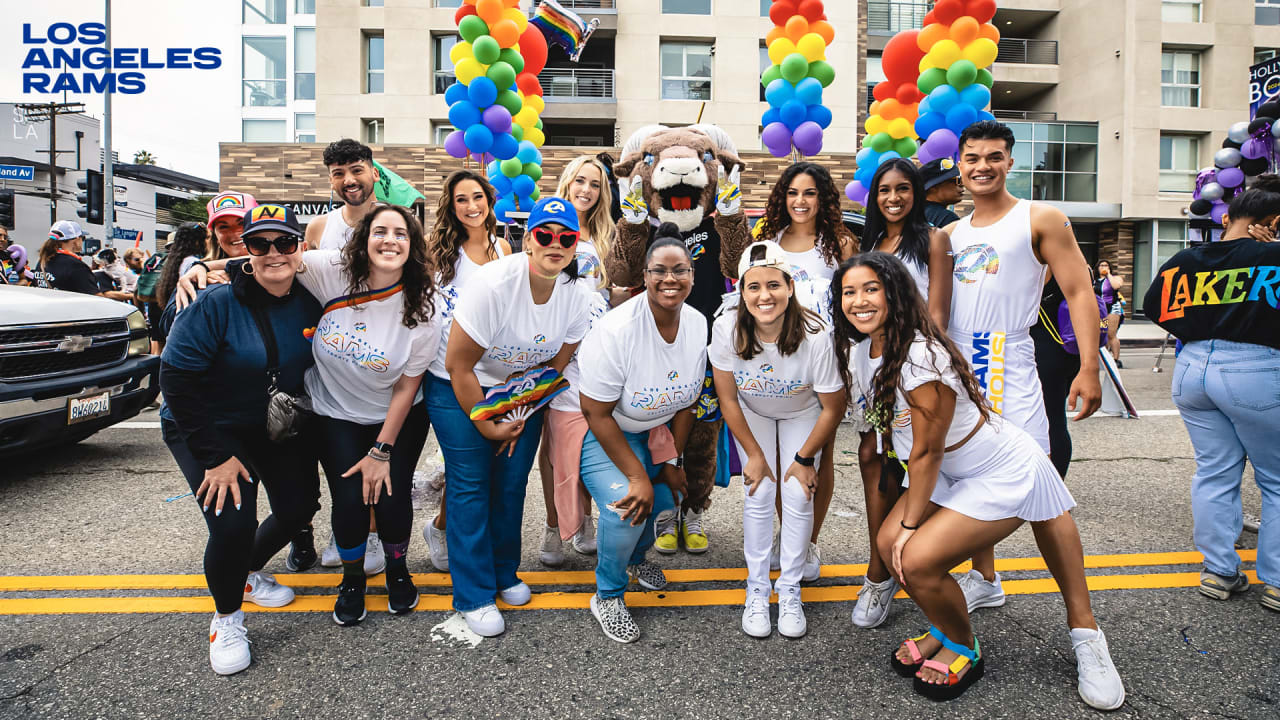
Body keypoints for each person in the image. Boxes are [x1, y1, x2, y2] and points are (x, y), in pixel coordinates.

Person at [833, 251, 1078, 701]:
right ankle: (945, 631)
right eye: (849, 291)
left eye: (871, 289)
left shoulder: (921, 355)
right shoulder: (859, 352)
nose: (859, 300)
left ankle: (965, 645)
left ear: (896, 294)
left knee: (915, 558)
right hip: (948, 472)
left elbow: (925, 450)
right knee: (891, 551)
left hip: (996, 470)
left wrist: (909, 527)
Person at [939, 120, 1124, 710]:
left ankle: (1086, 632)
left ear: (1009, 162)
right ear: (960, 165)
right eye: (972, 158)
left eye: (994, 157)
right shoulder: (948, 233)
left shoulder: (1040, 218)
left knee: (1042, 493)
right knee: (963, 477)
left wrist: (1089, 367)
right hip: (955, 367)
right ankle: (986, 581)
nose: (982, 167)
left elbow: (1078, 292)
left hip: (1011, 365)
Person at [159, 204, 321, 675]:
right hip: (208, 425)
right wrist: (215, 456)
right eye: (260, 243)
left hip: (271, 422)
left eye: (284, 242)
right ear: (246, 251)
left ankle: (245, 571)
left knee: (298, 507)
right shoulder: (213, 302)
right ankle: (226, 617)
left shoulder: (309, 299)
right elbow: (176, 380)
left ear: (300, 248)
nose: (273, 253)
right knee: (231, 523)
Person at [431, 196, 589, 637]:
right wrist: (486, 422)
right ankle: (474, 594)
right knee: (472, 480)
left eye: (566, 238)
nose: (554, 244)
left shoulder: (578, 294)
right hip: (458, 384)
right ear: (527, 240)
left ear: (575, 245)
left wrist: (518, 412)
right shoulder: (494, 283)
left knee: (512, 480)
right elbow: (457, 366)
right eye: (544, 235)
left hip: (521, 392)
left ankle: (504, 572)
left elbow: (555, 366)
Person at [293, 204, 441, 625]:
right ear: (364, 238)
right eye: (380, 231)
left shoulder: (424, 307)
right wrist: (205, 267)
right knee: (350, 498)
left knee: (392, 498)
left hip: (397, 414)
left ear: (412, 246)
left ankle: (397, 570)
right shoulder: (333, 271)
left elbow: (407, 385)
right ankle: (353, 578)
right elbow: (276, 257)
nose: (390, 240)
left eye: (401, 233)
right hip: (335, 410)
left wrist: (381, 451)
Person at [1143, 174, 1280, 613]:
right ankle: (1276, 581)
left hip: (1193, 368)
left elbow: (1153, 306)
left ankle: (1219, 571)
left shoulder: (1187, 258)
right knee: (1276, 481)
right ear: (1273, 221)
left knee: (1215, 472)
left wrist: (1197, 331)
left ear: (1229, 217)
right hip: (1258, 368)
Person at [710, 240, 845, 638]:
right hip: (753, 412)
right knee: (760, 490)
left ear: (790, 286)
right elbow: (728, 397)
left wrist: (804, 462)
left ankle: (789, 589)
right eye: (753, 286)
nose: (763, 295)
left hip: (804, 413)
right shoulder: (725, 326)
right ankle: (757, 589)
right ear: (741, 291)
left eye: (773, 285)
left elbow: (833, 408)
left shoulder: (816, 333)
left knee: (799, 493)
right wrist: (752, 454)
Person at [577, 226, 704, 643]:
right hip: (605, 432)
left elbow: (687, 404)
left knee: (667, 498)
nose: (670, 279)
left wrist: (671, 463)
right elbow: (595, 412)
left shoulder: (698, 324)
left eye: (679, 270)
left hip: (655, 434)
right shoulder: (617, 331)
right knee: (626, 506)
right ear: (645, 276)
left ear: (692, 274)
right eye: (659, 271)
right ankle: (608, 595)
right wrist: (636, 476)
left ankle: (635, 558)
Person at [850, 158, 953, 628]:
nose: (893, 198)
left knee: (916, 458)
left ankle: (905, 559)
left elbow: (937, 315)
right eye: (884, 190)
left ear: (917, 192)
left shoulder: (934, 239)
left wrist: (908, 369)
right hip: (871, 363)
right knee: (872, 455)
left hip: (914, 366)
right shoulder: (869, 243)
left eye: (903, 189)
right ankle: (880, 573)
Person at [752, 162, 856, 582]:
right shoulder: (766, 240)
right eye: (793, 192)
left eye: (810, 193)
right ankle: (786, 532)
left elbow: (852, 302)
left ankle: (807, 540)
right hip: (772, 364)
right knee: (778, 457)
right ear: (782, 196)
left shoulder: (840, 245)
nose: (800, 201)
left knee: (817, 454)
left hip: (823, 362)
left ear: (823, 198)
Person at [420, 169, 513, 573]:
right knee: (466, 472)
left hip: (495, 375)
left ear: (490, 202)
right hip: (445, 372)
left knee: (485, 472)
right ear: (450, 205)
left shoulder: (505, 249)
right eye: (461, 199)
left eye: (478, 197)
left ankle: (441, 526)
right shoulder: (435, 250)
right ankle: (467, 565)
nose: (471, 206)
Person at [537, 155, 618, 566]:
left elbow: (617, 295)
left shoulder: (610, 237)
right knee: (554, 443)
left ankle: (583, 519)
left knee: (590, 437)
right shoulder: (547, 230)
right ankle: (554, 524)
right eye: (580, 181)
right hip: (555, 349)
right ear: (567, 183)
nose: (586, 190)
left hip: (596, 352)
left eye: (595, 185)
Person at [305, 138, 381, 251]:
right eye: (338, 174)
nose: (349, 181)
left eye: (357, 171)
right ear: (331, 180)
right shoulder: (318, 227)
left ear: (375, 174)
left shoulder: (402, 223)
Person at [33, 221, 132, 301]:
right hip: (71, 317)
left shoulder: (43, 260)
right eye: (82, 238)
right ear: (76, 240)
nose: (82, 241)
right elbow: (97, 299)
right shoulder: (75, 265)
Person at [206, 191, 257, 260]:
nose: (235, 231)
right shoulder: (199, 270)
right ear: (216, 237)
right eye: (223, 227)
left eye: (242, 223)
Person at [1095, 260, 1125, 365]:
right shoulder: (1095, 281)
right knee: (1102, 333)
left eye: (1106, 265)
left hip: (1112, 308)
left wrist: (1108, 274)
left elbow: (1116, 286)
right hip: (1100, 309)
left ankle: (1116, 359)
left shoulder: (1115, 278)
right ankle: (1105, 357)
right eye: (1101, 265)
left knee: (1111, 334)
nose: (1103, 267)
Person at [920, 157, 964, 229]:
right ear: (933, 187)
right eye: (956, 180)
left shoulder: (911, 214)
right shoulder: (947, 218)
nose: (962, 184)